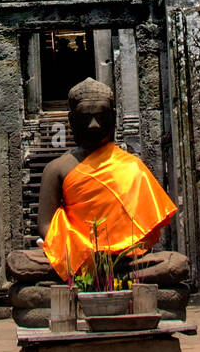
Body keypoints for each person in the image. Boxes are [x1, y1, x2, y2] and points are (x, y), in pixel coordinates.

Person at [38, 78, 177, 279]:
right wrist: (80, 252)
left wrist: (122, 251)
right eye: (85, 117)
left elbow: (142, 224)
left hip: (126, 258)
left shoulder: (130, 165)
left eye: (101, 116)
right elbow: (46, 225)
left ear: (113, 117)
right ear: (71, 121)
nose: (94, 125)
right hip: (77, 256)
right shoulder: (56, 168)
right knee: (21, 262)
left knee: (174, 265)